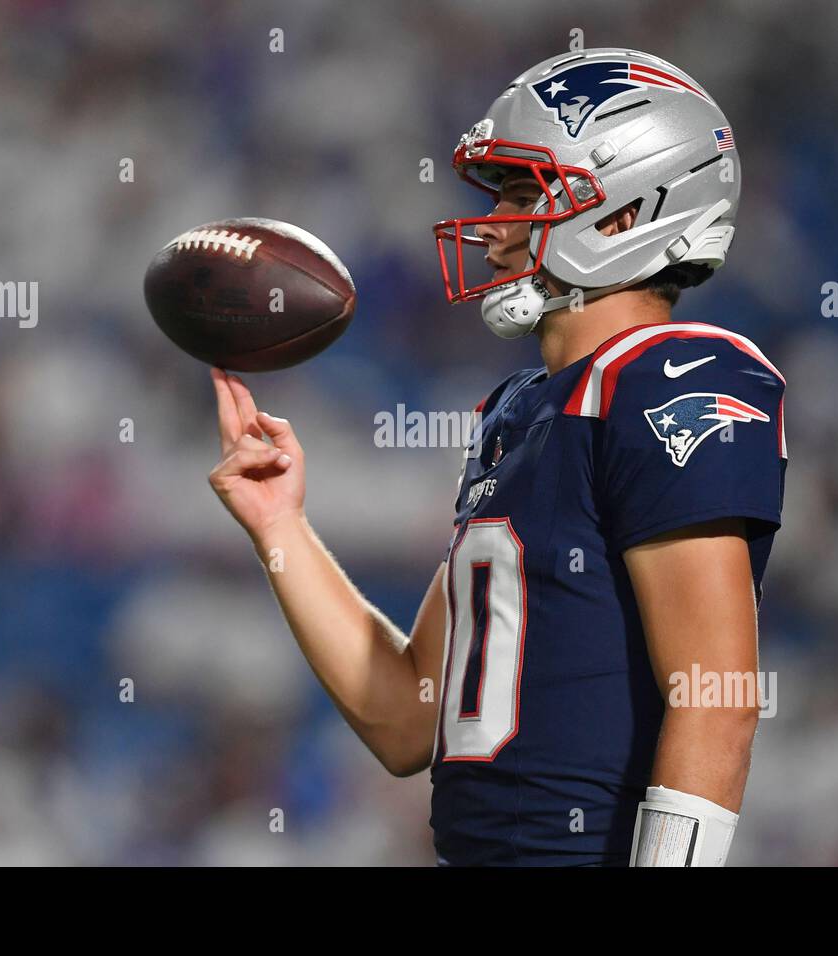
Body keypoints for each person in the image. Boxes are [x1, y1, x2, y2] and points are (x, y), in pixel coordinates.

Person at [208, 48, 787, 866]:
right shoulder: (518, 413)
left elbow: (719, 696)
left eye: (525, 195)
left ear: (625, 213)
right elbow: (406, 715)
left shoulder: (668, 375)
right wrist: (281, 528)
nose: (494, 229)